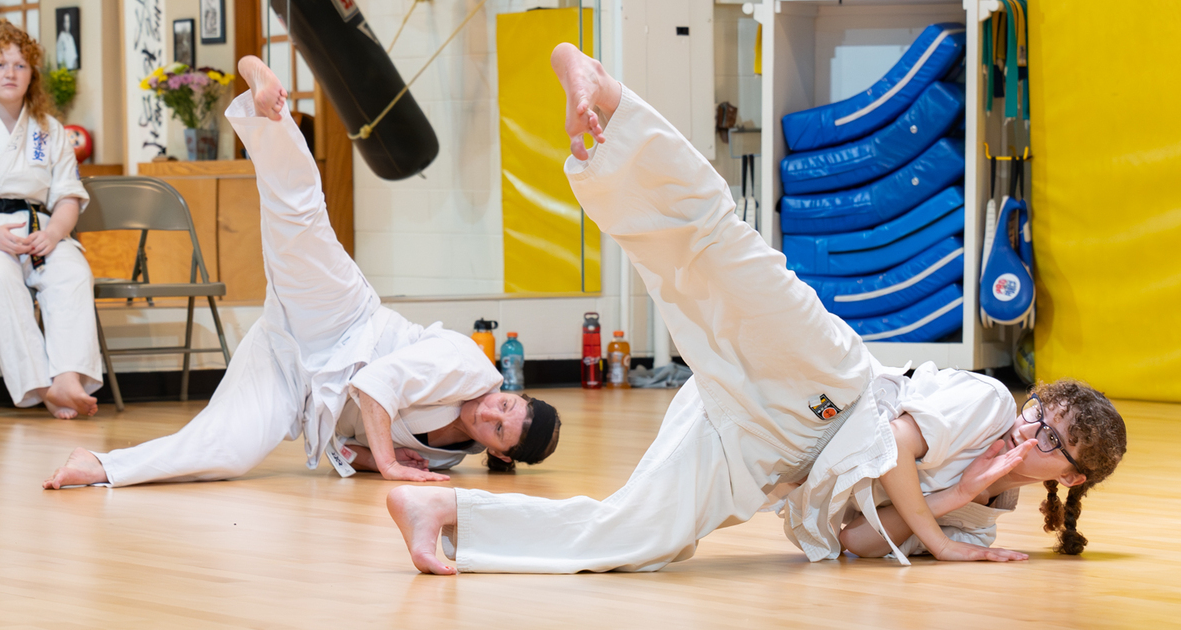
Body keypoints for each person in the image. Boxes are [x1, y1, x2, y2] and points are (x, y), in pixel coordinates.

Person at [385, 44, 1127, 575]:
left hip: (769, 456)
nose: (1030, 437)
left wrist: (962, 496)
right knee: (714, 257)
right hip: (831, 388)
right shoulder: (991, 403)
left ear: (1071, 479)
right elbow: (895, 445)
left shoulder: (989, 504)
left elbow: (855, 546)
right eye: (1043, 417)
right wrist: (939, 540)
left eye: (1052, 442)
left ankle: (446, 515)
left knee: (639, 538)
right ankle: (607, 104)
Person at [42, 55, 561, 489]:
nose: (489, 413)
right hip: (342, 318)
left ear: (501, 454)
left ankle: (100, 466)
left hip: (299, 376)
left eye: (498, 430)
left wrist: (369, 459)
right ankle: (267, 108)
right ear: (511, 390)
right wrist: (388, 463)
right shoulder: (468, 365)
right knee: (300, 218)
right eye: (506, 404)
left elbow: (345, 443)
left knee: (228, 450)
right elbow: (378, 383)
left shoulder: (452, 457)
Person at [0, 19, 100, 419]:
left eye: (20, 65)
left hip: (38, 229)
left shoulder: (49, 129)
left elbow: (67, 194)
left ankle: (68, 378)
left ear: (32, 74)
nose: (10, 73)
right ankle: (41, 385)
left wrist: (53, 232)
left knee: (72, 272)